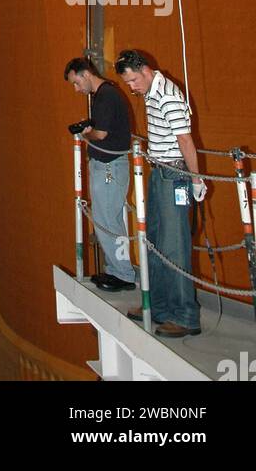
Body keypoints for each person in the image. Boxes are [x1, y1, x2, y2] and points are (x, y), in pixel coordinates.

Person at [115, 49, 205, 337]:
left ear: (146, 70)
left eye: (133, 81)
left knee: (175, 246)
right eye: (127, 83)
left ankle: (185, 316)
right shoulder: (151, 93)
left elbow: (185, 141)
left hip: (174, 175)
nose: (131, 88)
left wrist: (196, 180)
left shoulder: (168, 96)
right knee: (154, 240)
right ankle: (159, 305)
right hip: (158, 172)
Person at [64, 57, 136, 293]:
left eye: (76, 83)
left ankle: (123, 274)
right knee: (109, 218)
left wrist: (86, 134)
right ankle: (119, 270)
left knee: (107, 219)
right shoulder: (106, 94)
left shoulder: (105, 96)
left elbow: (102, 134)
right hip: (110, 165)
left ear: (85, 74)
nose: (76, 89)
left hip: (109, 167)